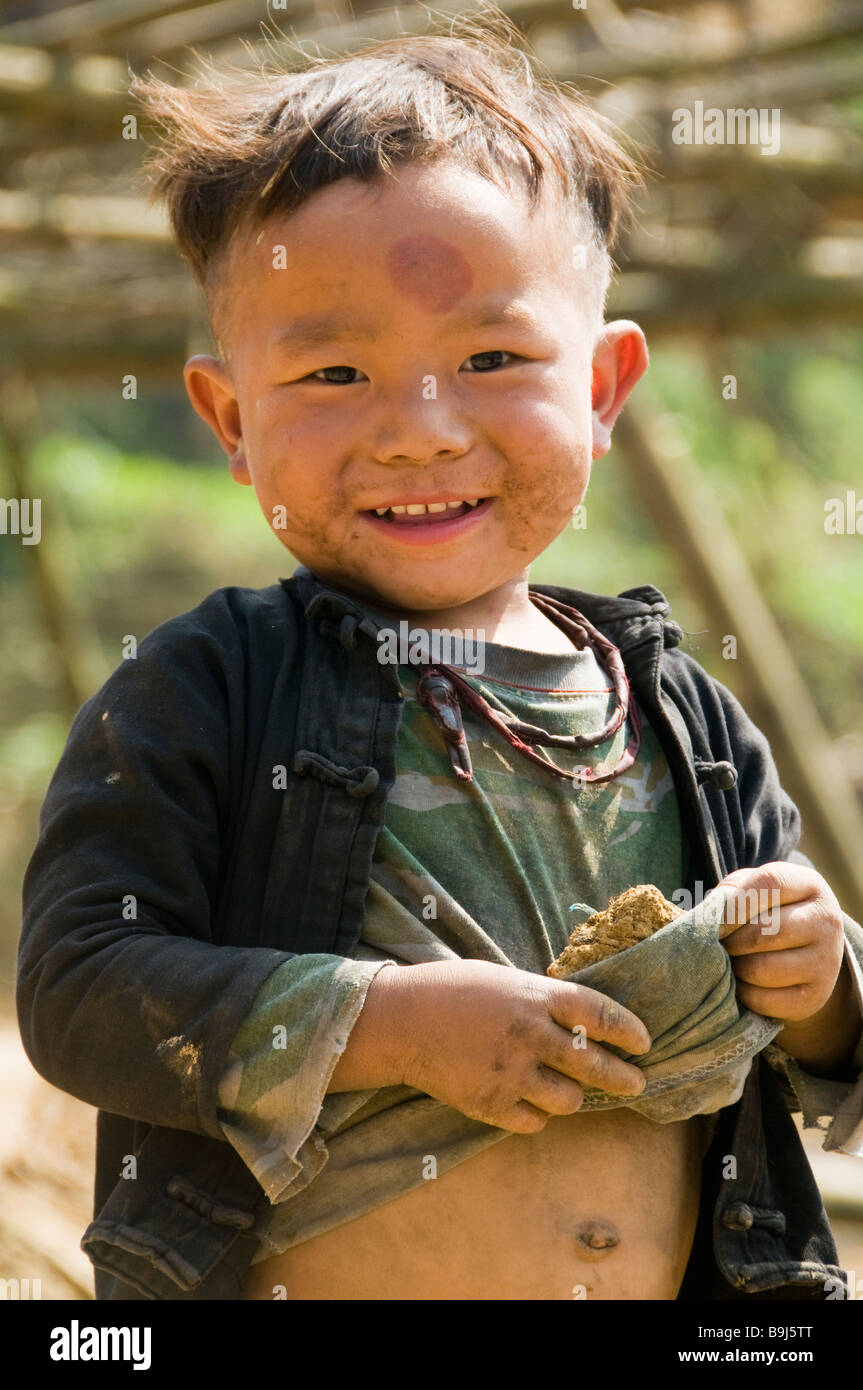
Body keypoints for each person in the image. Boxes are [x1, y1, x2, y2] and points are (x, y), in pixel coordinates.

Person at [17, 10, 863, 1302]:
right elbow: (82, 988)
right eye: (337, 371)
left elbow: (816, 1024)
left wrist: (822, 981)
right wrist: (385, 1023)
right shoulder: (207, 693)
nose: (419, 431)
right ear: (230, 420)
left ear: (602, 386)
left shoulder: (679, 718)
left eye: (490, 358)